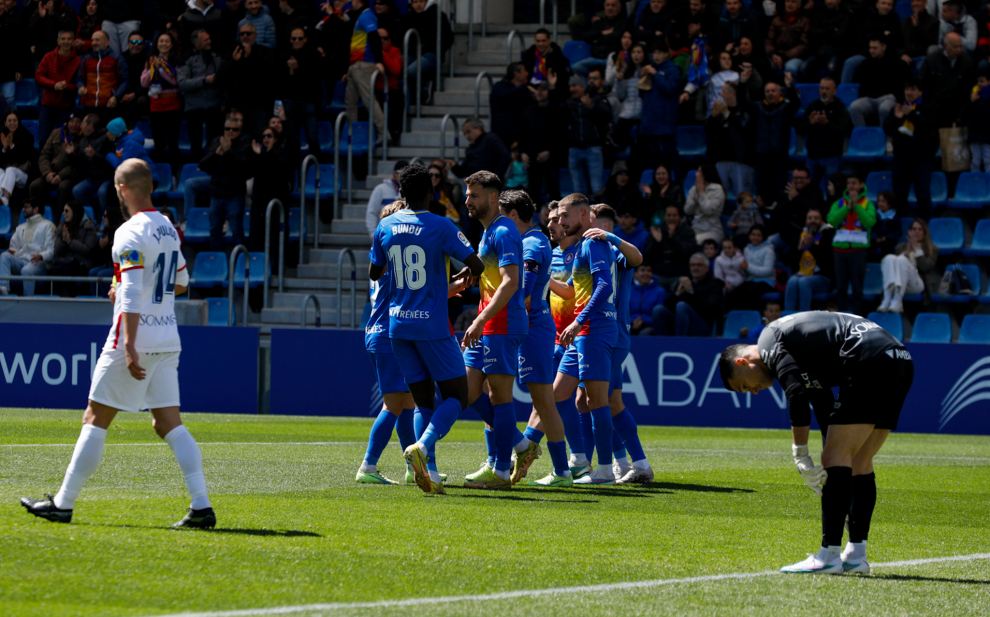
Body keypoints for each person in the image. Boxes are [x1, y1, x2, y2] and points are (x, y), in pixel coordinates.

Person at [21, 159, 215, 529]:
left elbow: (128, 293)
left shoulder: (128, 233)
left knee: (95, 418)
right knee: (167, 423)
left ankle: (63, 504)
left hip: (136, 339)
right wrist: (135, 291)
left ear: (122, 189)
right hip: (167, 338)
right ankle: (201, 506)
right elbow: (181, 285)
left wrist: (128, 344)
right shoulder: (169, 229)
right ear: (149, 187)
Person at [719, 311, 914, 575]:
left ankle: (829, 555)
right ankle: (856, 554)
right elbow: (823, 407)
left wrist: (800, 454)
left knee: (837, 457)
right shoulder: (800, 349)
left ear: (743, 362)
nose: (753, 391)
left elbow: (796, 394)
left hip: (869, 358)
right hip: (898, 359)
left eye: (744, 386)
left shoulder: (769, 341)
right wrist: (836, 481)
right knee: (856, 461)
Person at [370, 164, 483, 495]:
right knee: (457, 396)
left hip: (397, 326)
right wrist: (463, 276)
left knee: (423, 404)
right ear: (432, 193)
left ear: (401, 194)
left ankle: (430, 473)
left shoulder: (385, 225)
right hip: (432, 326)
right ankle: (424, 446)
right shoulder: (441, 225)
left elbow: (376, 273)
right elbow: (475, 264)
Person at [493, 190, 572, 487]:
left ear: (513, 215)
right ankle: (501, 460)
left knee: (543, 401)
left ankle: (563, 471)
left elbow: (523, 291)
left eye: (502, 215)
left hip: (534, 327)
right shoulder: (531, 241)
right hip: (528, 327)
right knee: (527, 398)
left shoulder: (531, 244)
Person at [458, 172, 529, 490]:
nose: (467, 201)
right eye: (467, 194)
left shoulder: (504, 231)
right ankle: (521, 445)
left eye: (473, 195)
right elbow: (492, 273)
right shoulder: (487, 233)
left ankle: (501, 471)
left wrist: (479, 319)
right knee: (469, 392)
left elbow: (511, 282)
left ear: (491, 197)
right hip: (489, 323)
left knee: (499, 397)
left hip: (501, 324)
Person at [548, 194, 618, 485]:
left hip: (595, 329)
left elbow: (604, 286)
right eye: (559, 216)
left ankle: (604, 469)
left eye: (565, 216)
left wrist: (578, 321)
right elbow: (572, 289)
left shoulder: (593, 243)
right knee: (558, 394)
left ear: (583, 215)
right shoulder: (582, 247)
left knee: (596, 399)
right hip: (584, 332)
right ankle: (578, 459)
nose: (560, 221)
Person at [587, 204, 652, 484]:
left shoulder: (614, 251)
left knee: (600, 400)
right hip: (605, 334)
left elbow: (637, 257)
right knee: (609, 401)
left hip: (613, 335)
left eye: (587, 219)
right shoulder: (593, 250)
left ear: (603, 225)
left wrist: (611, 239)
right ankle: (626, 463)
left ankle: (634, 463)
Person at [357, 200, 418, 485]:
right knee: (393, 404)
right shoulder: (395, 260)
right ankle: (368, 466)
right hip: (387, 335)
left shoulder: (381, 258)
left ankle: (413, 468)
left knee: (406, 402)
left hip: (379, 332)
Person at [739, 71, 799, 206]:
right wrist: (742, 83)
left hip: (780, 158)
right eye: (767, 91)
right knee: (761, 195)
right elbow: (743, 101)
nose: (770, 93)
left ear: (780, 93)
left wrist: (789, 86)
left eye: (773, 91)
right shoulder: (758, 108)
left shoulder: (786, 108)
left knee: (780, 194)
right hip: (761, 158)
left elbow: (796, 104)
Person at [884, 77, 938, 221]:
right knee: (899, 197)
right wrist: (897, 118)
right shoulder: (898, 108)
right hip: (901, 160)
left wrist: (911, 115)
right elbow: (887, 128)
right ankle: (900, 230)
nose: (909, 93)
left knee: (923, 196)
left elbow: (928, 126)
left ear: (920, 92)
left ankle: (927, 230)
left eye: (913, 90)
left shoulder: (927, 107)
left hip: (921, 160)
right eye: (907, 89)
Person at [199, 117, 255, 251]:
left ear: (239, 130)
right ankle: (216, 263)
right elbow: (203, 165)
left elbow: (245, 168)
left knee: (237, 230)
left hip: (235, 195)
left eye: (234, 129)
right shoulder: (216, 142)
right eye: (227, 128)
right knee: (214, 230)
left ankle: (240, 263)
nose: (230, 131)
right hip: (216, 194)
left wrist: (228, 152)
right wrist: (217, 154)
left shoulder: (245, 144)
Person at [217, 22, 277, 137]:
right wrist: (233, 62)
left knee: (259, 138)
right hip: (238, 106)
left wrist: (249, 59)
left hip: (260, 106)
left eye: (248, 33)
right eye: (242, 34)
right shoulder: (234, 52)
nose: (245, 36)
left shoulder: (266, 52)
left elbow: (268, 75)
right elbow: (220, 77)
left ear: (255, 35)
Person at [828, 174, 876, 315]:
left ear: (861, 185)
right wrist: (847, 208)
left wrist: (857, 207)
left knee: (857, 289)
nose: (851, 186)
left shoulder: (868, 204)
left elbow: (870, 222)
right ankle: (842, 319)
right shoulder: (839, 203)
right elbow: (831, 222)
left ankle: (857, 319)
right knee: (841, 289)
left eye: (854, 183)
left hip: (858, 251)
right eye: (849, 183)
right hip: (840, 251)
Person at [557, 73, 611, 198]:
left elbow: (608, 116)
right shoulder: (569, 103)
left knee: (596, 188)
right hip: (574, 149)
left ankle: (598, 216)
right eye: (570, 86)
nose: (572, 89)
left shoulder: (596, 99)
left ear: (583, 87)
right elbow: (556, 113)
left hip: (593, 149)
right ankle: (580, 217)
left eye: (575, 85)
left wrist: (591, 106)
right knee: (578, 190)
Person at [343, 0, 387, 147]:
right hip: (354, 66)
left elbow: (374, 37)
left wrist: (379, 61)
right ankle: (353, 132)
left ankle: (383, 132)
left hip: (364, 64)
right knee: (350, 103)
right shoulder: (360, 17)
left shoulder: (366, 15)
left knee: (369, 101)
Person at [178, 29, 224, 163]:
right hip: (194, 107)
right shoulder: (186, 58)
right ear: (196, 43)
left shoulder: (217, 57)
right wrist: (204, 81)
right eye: (206, 40)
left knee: (216, 141)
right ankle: (195, 167)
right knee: (195, 142)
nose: (209, 42)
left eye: (209, 39)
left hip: (214, 105)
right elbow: (182, 83)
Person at [652, 252, 724, 336]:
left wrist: (691, 292)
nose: (695, 268)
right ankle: (661, 344)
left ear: (707, 268)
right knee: (658, 309)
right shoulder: (685, 281)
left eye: (699, 265)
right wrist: (677, 294)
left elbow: (710, 311)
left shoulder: (714, 284)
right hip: (680, 324)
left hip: (703, 326)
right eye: (692, 265)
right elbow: (667, 306)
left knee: (681, 306)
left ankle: (679, 344)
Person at [799, 77, 852, 193]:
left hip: (832, 157)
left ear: (835, 91)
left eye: (827, 89)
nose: (824, 91)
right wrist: (810, 124)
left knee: (834, 191)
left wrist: (827, 123)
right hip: (812, 157)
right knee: (807, 190)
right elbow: (801, 130)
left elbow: (843, 131)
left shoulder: (840, 108)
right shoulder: (812, 106)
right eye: (822, 88)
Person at [637, 40, 681, 178]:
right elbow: (642, 94)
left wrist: (655, 74)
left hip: (665, 121)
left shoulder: (672, 70)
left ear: (666, 54)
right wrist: (643, 78)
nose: (656, 56)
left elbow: (670, 89)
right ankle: (654, 188)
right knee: (652, 157)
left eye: (659, 53)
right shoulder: (651, 69)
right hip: (650, 120)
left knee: (670, 155)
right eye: (654, 53)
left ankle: (677, 184)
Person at [141, 33, 181, 178]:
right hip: (156, 106)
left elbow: (175, 81)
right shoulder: (150, 60)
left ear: (171, 44)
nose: (163, 44)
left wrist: (161, 69)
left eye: (167, 41)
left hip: (172, 105)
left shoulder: (176, 60)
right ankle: (160, 176)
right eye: (161, 41)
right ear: (156, 44)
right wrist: (152, 67)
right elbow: (144, 83)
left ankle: (175, 175)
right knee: (158, 143)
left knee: (172, 143)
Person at [878, 218, 938, 312]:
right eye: (914, 229)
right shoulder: (901, 247)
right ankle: (886, 300)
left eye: (920, 229)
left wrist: (917, 250)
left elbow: (926, 267)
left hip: (917, 284)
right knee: (889, 258)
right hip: (900, 283)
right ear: (910, 231)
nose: (916, 232)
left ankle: (897, 301)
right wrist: (907, 252)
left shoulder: (932, 248)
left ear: (925, 232)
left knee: (902, 259)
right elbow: (895, 267)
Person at [519, 81, 564, 202]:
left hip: (551, 159)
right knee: (533, 193)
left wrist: (549, 152)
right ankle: (533, 219)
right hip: (532, 159)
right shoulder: (528, 111)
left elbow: (561, 135)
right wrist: (522, 152)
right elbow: (522, 134)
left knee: (554, 191)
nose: (540, 92)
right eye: (537, 89)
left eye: (543, 89)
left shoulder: (556, 111)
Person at [281, 27, 323, 155]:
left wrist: (298, 68)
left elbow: (315, 77)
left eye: (300, 38)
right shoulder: (284, 55)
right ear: (290, 40)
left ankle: (317, 171)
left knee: (312, 138)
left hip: (308, 102)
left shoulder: (314, 54)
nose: (297, 41)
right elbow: (280, 81)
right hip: (289, 103)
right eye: (294, 38)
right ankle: (291, 172)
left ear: (305, 39)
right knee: (290, 141)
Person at [0, 199, 56, 296]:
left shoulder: (48, 226)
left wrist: (41, 256)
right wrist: (13, 252)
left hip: (39, 263)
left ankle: (27, 299)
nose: (23, 210)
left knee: (26, 270)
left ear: (36, 209)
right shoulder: (20, 227)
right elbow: (15, 248)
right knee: (5, 256)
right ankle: (4, 289)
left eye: (26, 207)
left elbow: (51, 250)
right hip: (21, 261)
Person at [918, 32, 974, 128]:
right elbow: (920, 83)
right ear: (946, 46)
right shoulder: (932, 60)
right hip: (935, 108)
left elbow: (968, 89)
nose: (959, 50)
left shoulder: (966, 62)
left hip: (956, 107)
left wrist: (961, 113)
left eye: (960, 46)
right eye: (955, 47)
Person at [34, 30, 82, 141]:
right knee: (44, 138)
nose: (66, 41)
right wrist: (54, 85)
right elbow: (38, 78)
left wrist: (67, 87)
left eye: (69, 39)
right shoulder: (48, 57)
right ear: (58, 41)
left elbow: (78, 85)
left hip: (67, 107)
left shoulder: (78, 61)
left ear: (73, 41)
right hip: (47, 106)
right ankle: (43, 159)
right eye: (63, 39)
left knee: (63, 139)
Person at [402, 0, 453, 105]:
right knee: (398, 65)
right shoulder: (409, 17)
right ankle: (409, 98)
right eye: (415, 2)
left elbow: (449, 38)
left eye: (421, 1)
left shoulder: (437, 15)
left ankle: (424, 91)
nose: (418, 5)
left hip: (431, 53)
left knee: (412, 70)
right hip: (413, 53)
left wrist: (438, 49)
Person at [30, 112, 83, 210]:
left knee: (63, 187)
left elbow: (79, 165)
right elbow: (44, 155)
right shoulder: (56, 133)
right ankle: (39, 216)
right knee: (35, 186)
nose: (74, 124)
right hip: (52, 172)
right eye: (71, 121)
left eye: (78, 122)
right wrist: (47, 173)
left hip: (70, 176)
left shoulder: (83, 139)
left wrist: (61, 176)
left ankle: (61, 220)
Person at [76, 30, 129, 122]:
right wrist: (80, 87)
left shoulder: (116, 58)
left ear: (107, 42)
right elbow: (79, 79)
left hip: (108, 105)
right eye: (92, 40)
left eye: (97, 40)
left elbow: (125, 80)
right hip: (89, 104)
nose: (94, 43)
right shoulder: (86, 59)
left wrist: (116, 96)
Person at [49, 200, 99, 293]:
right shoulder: (62, 227)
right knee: (55, 269)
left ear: (75, 211)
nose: (64, 213)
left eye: (67, 211)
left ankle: (73, 296)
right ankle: (57, 300)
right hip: (66, 261)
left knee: (66, 271)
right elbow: (57, 252)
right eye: (63, 211)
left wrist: (70, 241)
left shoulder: (88, 227)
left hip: (82, 262)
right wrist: (64, 241)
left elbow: (88, 250)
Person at [643, 204, 697, 289]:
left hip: (679, 275)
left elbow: (687, 253)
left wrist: (673, 237)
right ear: (664, 216)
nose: (671, 218)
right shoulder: (657, 230)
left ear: (679, 217)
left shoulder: (687, 231)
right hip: (659, 275)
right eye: (668, 215)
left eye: (674, 215)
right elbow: (648, 255)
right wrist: (657, 242)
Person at [445, 118, 511, 183]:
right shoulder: (471, 149)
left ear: (479, 128)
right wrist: (454, 166)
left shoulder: (490, 139)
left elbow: (505, 156)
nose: (467, 136)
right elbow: (462, 172)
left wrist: (495, 177)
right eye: (465, 134)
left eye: (468, 132)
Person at [571, 0, 627, 78]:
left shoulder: (624, 22)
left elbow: (616, 36)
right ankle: (589, 86)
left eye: (613, 5)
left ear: (619, 8)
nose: (610, 8)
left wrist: (596, 39)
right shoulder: (599, 22)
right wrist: (602, 33)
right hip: (595, 59)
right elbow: (586, 36)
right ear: (604, 7)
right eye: (607, 5)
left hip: (611, 60)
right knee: (576, 68)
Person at [728, 224, 777, 311]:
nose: (755, 237)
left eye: (759, 235)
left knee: (750, 293)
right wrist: (743, 268)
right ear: (749, 236)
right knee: (734, 293)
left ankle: (753, 318)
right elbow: (746, 270)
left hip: (766, 281)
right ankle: (738, 318)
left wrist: (748, 267)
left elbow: (768, 271)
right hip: (751, 280)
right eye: (753, 234)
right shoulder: (746, 249)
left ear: (763, 237)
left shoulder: (769, 250)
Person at [800, 0, 850, 82]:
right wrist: (831, 29)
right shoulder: (820, 14)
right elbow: (813, 33)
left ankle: (830, 92)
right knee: (804, 67)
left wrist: (823, 33)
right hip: (820, 52)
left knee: (831, 68)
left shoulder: (845, 14)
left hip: (836, 52)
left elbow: (840, 35)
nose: (829, 1)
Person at [489, 62, 534, 151]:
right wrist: (525, 89)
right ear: (516, 74)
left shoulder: (525, 92)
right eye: (525, 71)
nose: (527, 74)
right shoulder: (499, 87)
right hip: (503, 139)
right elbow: (505, 95)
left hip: (520, 139)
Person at [612, 42, 647, 148]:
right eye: (633, 52)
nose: (636, 55)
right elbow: (620, 95)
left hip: (644, 113)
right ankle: (633, 143)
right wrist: (619, 82)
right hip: (627, 112)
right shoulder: (627, 71)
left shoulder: (649, 71)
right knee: (616, 137)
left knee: (643, 145)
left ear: (644, 54)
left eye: (639, 52)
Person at [765, 0, 811, 77]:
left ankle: (791, 88)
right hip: (776, 55)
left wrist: (783, 57)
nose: (790, 4)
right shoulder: (776, 20)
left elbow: (804, 45)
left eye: (793, 1)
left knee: (791, 68)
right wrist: (773, 55)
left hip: (794, 57)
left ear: (799, 4)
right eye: (788, 1)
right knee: (763, 65)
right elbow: (769, 40)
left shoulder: (805, 21)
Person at [0, 111, 36, 207]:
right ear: (5, 123)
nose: (12, 123)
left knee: (10, 170)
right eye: (9, 120)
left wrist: (12, 145)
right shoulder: (2, 136)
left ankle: (5, 199)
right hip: (8, 177)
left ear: (18, 122)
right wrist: (4, 148)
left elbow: (23, 158)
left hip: (24, 175)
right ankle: (0, 197)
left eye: (15, 120)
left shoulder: (27, 136)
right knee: (0, 171)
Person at [684, 164, 726, 245]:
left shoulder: (717, 188)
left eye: (699, 172)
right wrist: (694, 201)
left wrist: (701, 193)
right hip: (695, 228)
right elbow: (687, 210)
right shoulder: (693, 189)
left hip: (712, 230)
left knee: (692, 242)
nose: (696, 174)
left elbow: (708, 210)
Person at [88, 204, 123, 297]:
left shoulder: (120, 233)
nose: (103, 218)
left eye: (105, 216)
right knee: (92, 272)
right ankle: (95, 297)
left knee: (101, 274)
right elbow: (100, 258)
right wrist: (101, 247)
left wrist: (108, 246)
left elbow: (117, 256)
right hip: (107, 265)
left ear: (112, 217)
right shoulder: (106, 233)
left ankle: (106, 298)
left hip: (118, 266)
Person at [365, 159, 407, 236]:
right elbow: (371, 213)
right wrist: (373, 235)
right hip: (385, 235)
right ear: (395, 173)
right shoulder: (381, 189)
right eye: (402, 173)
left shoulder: (412, 192)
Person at [639, 163, 684, 228]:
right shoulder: (651, 188)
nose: (661, 176)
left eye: (663, 173)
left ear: (668, 175)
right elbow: (646, 212)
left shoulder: (677, 188)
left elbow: (679, 208)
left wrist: (663, 197)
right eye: (658, 174)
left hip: (671, 222)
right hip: (652, 222)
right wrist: (649, 196)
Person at [963, 67, 990, 171]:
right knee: (975, 161)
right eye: (978, 81)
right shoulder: (973, 94)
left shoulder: (982, 97)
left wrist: (977, 102)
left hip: (987, 134)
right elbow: (967, 112)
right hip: (974, 133)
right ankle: (975, 182)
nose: (979, 84)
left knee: (988, 160)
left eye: (982, 81)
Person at [630, 263, 667, 335]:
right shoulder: (628, 291)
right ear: (636, 274)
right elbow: (623, 313)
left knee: (645, 333)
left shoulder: (660, 291)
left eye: (649, 271)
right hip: (630, 324)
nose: (646, 273)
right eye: (642, 270)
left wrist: (643, 322)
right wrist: (632, 322)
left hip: (649, 326)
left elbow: (660, 317)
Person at [869, 191, 902, 262]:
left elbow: (898, 232)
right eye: (879, 201)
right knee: (868, 246)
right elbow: (871, 229)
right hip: (876, 238)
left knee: (888, 247)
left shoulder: (895, 216)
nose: (880, 204)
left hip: (889, 240)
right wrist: (875, 238)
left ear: (890, 203)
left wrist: (886, 237)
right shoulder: (875, 214)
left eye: (883, 201)